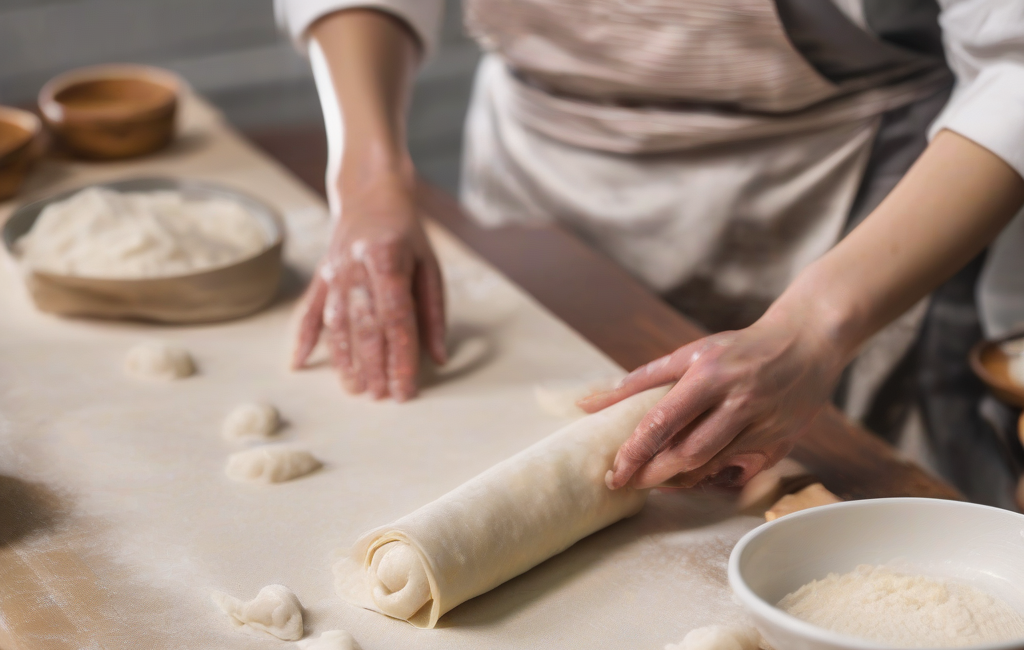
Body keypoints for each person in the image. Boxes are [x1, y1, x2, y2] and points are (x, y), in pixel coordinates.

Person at [275, 0, 1024, 506]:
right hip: (542, 171)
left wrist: (816, 326)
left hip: (852, 195)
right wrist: (368, 178)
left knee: (851, 503)